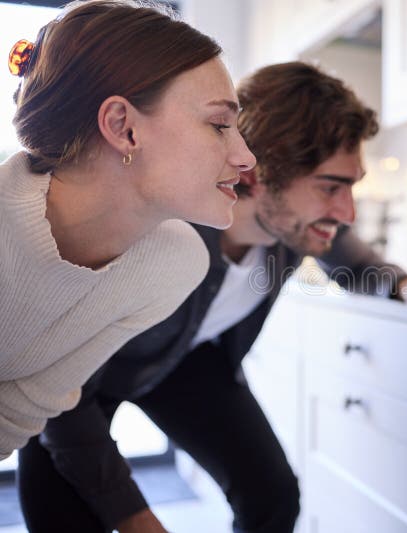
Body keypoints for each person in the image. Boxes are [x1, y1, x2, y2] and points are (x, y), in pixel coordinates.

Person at [17, 61, 407, 533]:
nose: (347, 211)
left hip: (189, 363)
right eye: (331, 187)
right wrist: (138, 519)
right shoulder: (162, 230)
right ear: (258, 175)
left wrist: (405, 286)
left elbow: (356, 263)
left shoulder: (294, 229)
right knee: (63, 512)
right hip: (78, 386)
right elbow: (63, 396)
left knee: (273, 495)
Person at [0, 0, 254, 460]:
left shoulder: (176, 264)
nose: (246, 158)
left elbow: (15, 416)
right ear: (123, 127)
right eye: (219, 125)